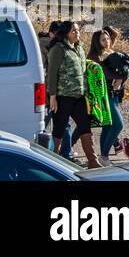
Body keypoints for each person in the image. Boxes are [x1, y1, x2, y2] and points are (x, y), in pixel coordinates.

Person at [45, 22, 101, 167]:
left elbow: (82, 70)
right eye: (73, 31)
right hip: (63, 96)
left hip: (79, 96)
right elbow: (52, 74)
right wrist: (52, 97)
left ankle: (93, 161)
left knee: (85, 126)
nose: (77, 33)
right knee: (59, 129)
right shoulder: (58, 49)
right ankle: (53, 163)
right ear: (65, 33)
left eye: (77, 30)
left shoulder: (79, 48)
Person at [94, 27, 129, 160]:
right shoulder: (97, 56)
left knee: (108, 125)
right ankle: (104, 155)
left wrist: (121, 77)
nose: (106, 41)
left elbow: (125, 71)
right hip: (104, 95)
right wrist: (120, 75)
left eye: (107, 39)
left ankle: (103, 156)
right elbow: (106, 74)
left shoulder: (112, 53)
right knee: (118, 124)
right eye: (103, 40)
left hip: (114, 95)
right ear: (97, 42)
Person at [40, 20, 73, 158]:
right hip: (47, 94)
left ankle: (65, 154)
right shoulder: (44, 47)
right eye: (59, 34)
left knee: (64, 125)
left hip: (59, 93)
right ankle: (45, 155)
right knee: (42, 125)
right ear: (51, 34)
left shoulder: (64, 46)